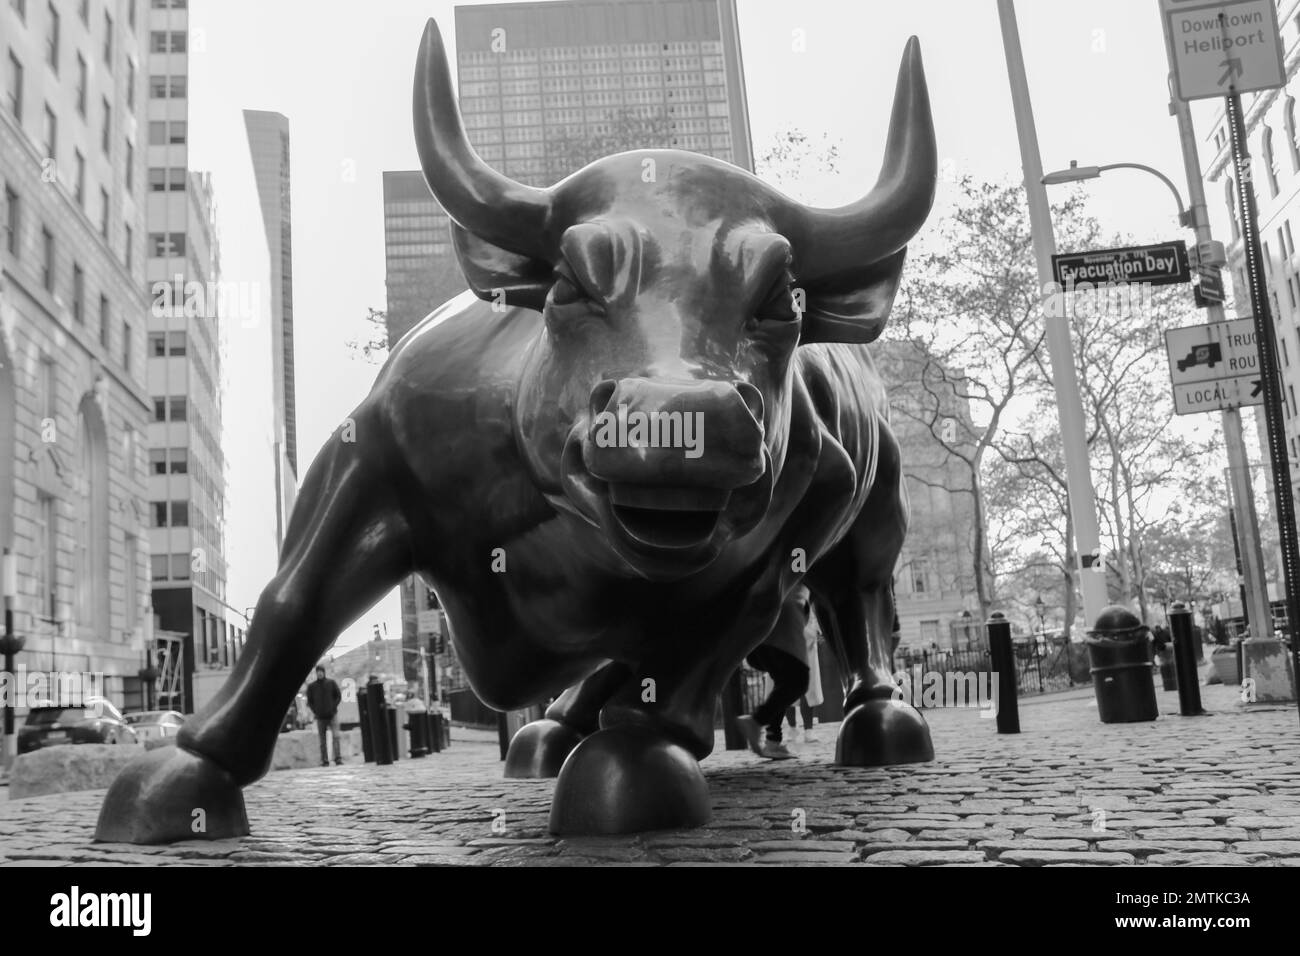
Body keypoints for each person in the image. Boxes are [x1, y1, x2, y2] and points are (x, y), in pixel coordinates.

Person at [737, 586, 815, 760]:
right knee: (798, 681)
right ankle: (756, 721)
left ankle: (773, 741)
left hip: (762, 623)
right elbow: (797, 564)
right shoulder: (799, 560)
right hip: (785, 614)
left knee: (783, 683)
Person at [306, 665, 343, 767]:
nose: (320, 673)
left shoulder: (331, 683)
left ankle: (338, 758)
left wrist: (333, 707)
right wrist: (316, 711)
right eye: (318, 671)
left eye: (321, 671)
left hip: (332, 715)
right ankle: (324, 760)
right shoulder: (312, 686)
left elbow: (338, 696)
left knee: (336, 737)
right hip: (320, 717)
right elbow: (310, 701)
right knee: (322, 740)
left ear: (324, 672)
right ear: (316, 673)